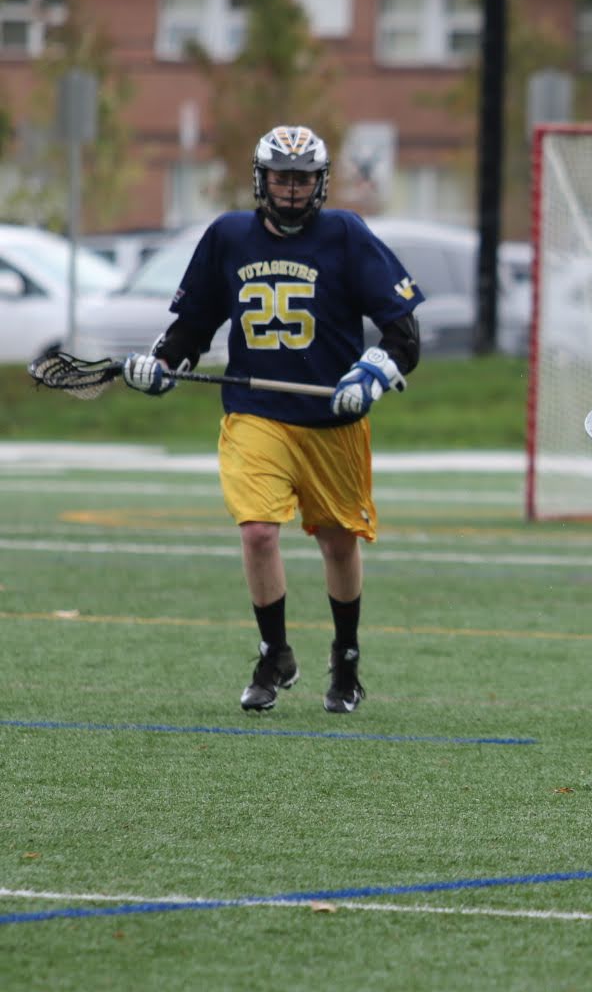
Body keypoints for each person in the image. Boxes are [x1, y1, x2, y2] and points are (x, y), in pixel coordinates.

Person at [121, 125, 424, 714]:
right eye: (281, 177)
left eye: (302, 178)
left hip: (331, 420)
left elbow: (403, 333)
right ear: (261, 179)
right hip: (256, 413)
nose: (290, 189)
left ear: (321, 182)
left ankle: (346, 658)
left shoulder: (345, 234)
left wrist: (371, 373)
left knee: (338, 542)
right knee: (258, 531)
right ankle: (273, 653)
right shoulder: (228, 235)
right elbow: (193, 325)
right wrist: (162, 363)